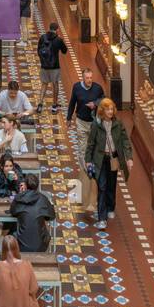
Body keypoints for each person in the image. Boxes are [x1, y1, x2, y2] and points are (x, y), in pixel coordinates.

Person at [85, 97, 133, 229]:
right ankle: (102, 218)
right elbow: (91, 143)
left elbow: (125, 141)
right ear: (102, 111)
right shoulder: (96, 125)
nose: (110, 112)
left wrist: (129, 158)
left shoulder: (118, 124)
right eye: (108, 109)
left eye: (112, 109)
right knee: (102, 186)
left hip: (113, 159)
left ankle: (111, 206)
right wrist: (88, 161)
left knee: (111, 185)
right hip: (100, 160)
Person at [66, 67, 105, 216]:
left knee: (93, 146)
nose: (89, 80)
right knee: (82, 147)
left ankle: (92, 163)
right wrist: (69, 118)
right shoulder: (77, 87)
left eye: (90, 77)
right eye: (87, 78)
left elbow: (103, 100)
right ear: (83, 78)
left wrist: (95, 104)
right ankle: (85, 168)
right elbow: (72, 102)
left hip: (94, 123)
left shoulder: (97, 88)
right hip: (81, 122)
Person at [10, 171, 55, 253]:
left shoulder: (19, 198)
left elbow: (13, 212)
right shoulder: (43, 198)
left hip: (21, 245)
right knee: (43, 225)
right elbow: (52, 216)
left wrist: (21, 194)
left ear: (25, 185)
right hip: (41, 246)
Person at [36, 21, 67, 112]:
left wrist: (43, 60)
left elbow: (38, 50)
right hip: (55, 66)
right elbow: (64, 51)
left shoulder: (43, 37)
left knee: (44, 84)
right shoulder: (58, 39)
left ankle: (40, 104)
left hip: (44, 66)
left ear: (49, 28)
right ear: (57, 30)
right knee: (55, 84)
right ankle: (54, 105)